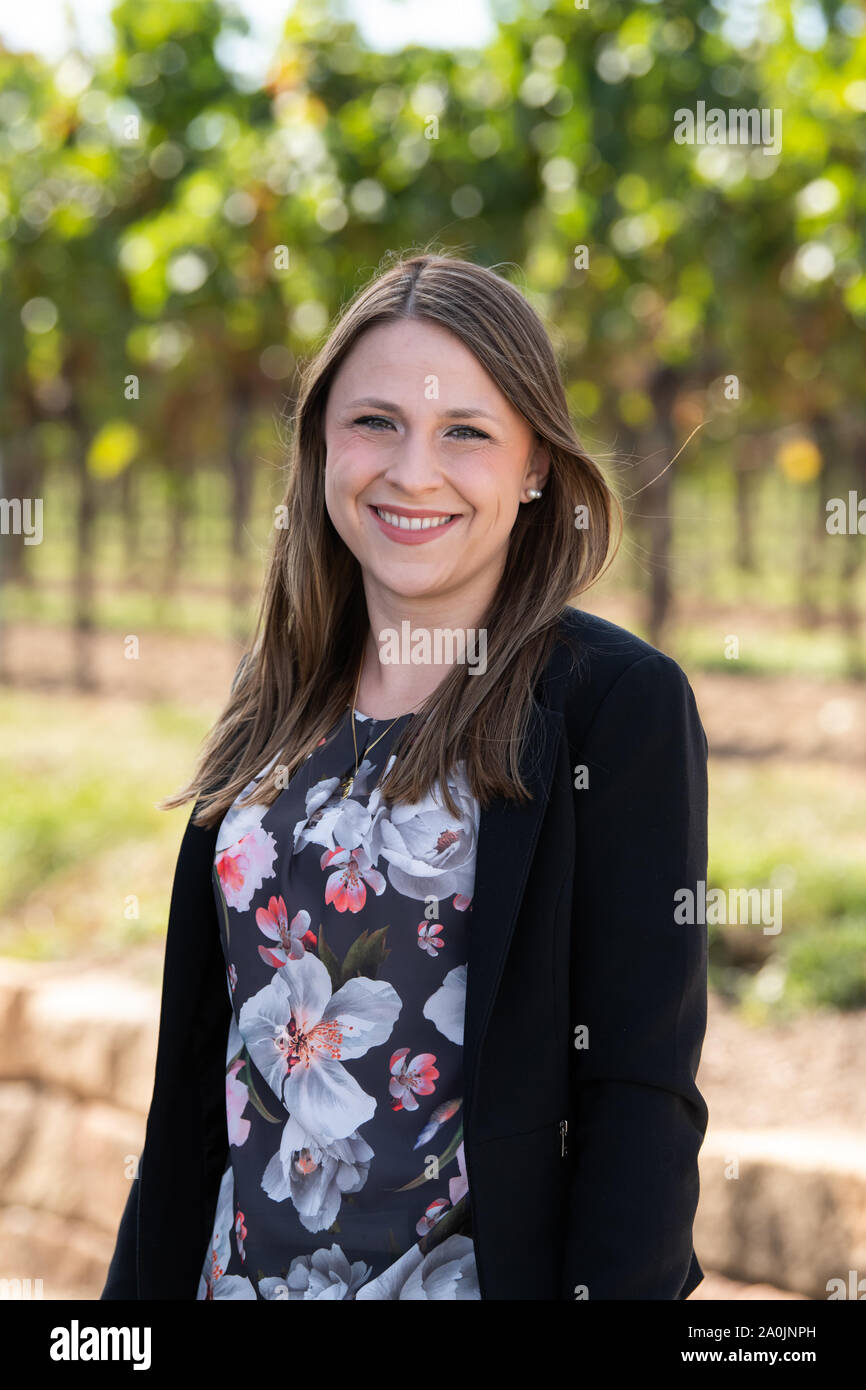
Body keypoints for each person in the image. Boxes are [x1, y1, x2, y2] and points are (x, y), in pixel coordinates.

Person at [101, 251, 709, 1301]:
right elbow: (200, 1078)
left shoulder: (611, 704)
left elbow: (637, 1093)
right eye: (373, 421)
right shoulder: (279, 685)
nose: (411, 470)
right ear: (321, 444)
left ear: (533, 467)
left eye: (464, 431)